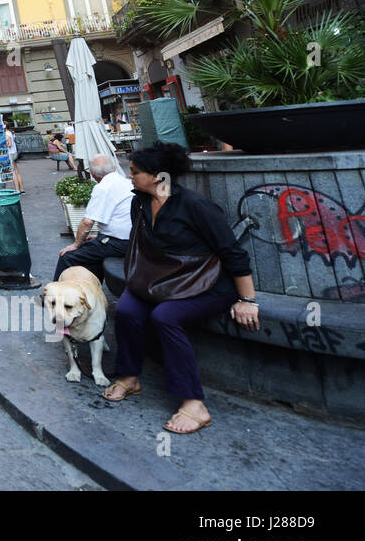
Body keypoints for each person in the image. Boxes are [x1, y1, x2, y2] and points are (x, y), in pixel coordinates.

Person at [101, 143, 259, 434]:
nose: (130, 177)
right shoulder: (139, 202)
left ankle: (194, 402)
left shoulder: (195, 206)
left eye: (135, 172)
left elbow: (233, 253)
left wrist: (248, 299)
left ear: (159, 176)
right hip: (161, 282)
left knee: (165, 317)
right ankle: (130, 376)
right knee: (125, 309)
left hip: (207, 285)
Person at [55, 153, 131, 281]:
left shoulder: (102, 188)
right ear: (114, 168)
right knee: (93, 251)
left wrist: (75, 245)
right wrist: (100, 236)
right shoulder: (127, 183)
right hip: (130, 239)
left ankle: (53, 298)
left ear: (92, 174)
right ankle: (92, 292)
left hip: (119, 243)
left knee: (68, 256)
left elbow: (87, 223)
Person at [5, 125, 24, 193]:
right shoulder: (11, 133)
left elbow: (9, 144)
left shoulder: (6, 133)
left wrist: (3, 146)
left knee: (13, 173)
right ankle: (21, 189)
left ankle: (17, 190)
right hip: (14, 152)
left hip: (10, 154)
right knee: (16, 171)